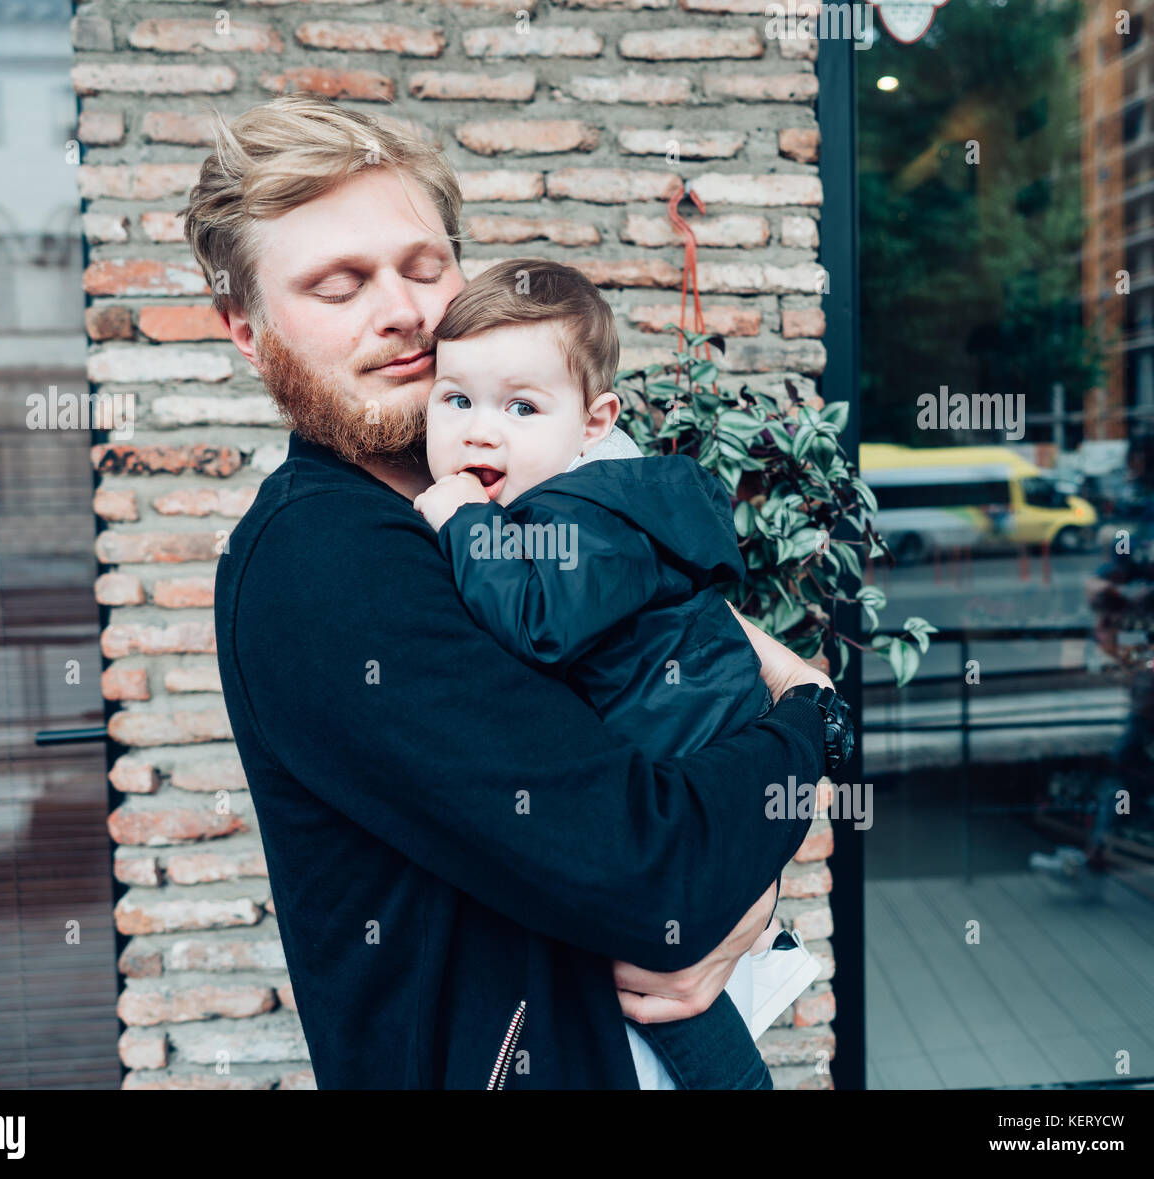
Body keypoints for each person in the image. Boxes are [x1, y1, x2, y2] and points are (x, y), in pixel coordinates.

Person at [188, 94, 844, 1088]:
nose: (404, 311)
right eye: (339, 284)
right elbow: (650, 866)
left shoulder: (523, 489)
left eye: (423, 265)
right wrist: (808, 721)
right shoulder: (326, 567)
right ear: (245, 328)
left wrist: (745, 878)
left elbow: (683, 662)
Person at [411, 258, 826, 1087]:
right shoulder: (584, 494)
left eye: (521, 407)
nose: (480, 430)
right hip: (689, 766)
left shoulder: (585, 514)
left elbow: (540, 625)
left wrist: (457, 519)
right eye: (456, 399)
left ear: (594, 422)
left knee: (664, 988)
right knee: (669, 988)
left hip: (684, 769)